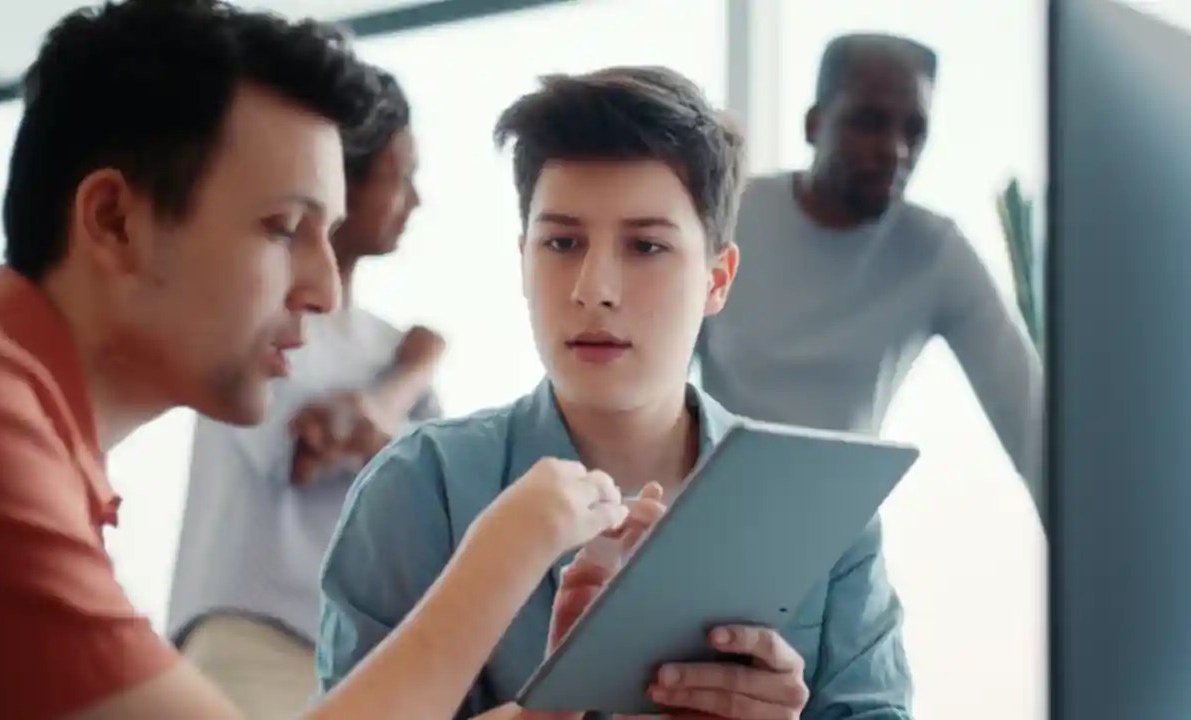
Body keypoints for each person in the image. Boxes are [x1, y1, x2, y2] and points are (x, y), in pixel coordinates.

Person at [0, 2, 634, 718]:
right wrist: (507, 552)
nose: (323, 290)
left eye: (327, 235)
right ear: (113, 221)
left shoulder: (32, 446)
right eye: (283, 229)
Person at [318, 66, 913, 719]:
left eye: (646, 246)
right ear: (524, 260)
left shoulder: (823, 512)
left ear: (718, 278)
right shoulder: (416, 491)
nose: (594, 286)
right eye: (563, 242)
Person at [164, 67, 447, 718]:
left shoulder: (389, 343)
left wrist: (384, 402)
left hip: (358, 657)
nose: (417, 199)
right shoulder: (254, 310)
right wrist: (413, 375)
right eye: (400, 176)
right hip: (249, 637)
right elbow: (303, 444)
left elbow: (431, 489)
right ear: (339, 178)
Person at [696, 33, 1044, 509]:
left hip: (843, 538)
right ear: (814, 124)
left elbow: (1031, 425)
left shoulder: (935, 251)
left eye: (913, 131)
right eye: (870, 122)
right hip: (719, 515)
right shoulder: (730, 219)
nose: (895, 150)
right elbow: (648, 398)